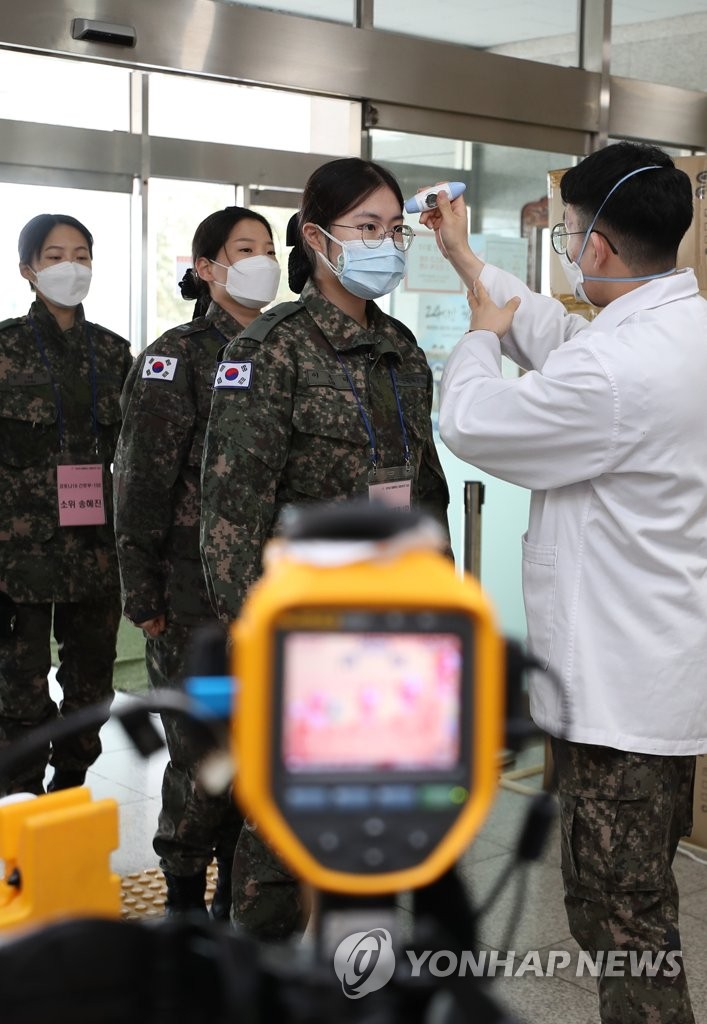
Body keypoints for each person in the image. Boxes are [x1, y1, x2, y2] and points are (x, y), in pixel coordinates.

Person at [420, 142, 707, 1024]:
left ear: (594, 248)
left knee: (624, 918)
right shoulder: (671, 329)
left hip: (619, 692)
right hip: (652, 670)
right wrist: (468, 263)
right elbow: (559, 335)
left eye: (570, 234)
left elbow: (474, 419)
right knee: (621, 902)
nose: (567, 250)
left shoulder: (619, 370)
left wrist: (473, 333)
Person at [200, 157, 450, 939]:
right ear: (315, 238)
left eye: (395, 229)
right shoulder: (271, 351)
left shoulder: (402, 351)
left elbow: (425, 490)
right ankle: (262, 970)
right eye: (366, 228)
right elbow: (229, 514)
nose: (386, 244)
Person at [113, 206, 281, 918]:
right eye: (245, 249)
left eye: (269, 247)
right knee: (200, 759)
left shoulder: (286, 349)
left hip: (273, 595)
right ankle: (184, 902)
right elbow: (142, 485)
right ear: (207, 266)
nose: (262, 260)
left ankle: (239, 904)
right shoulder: (176, 356)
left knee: (262, 754)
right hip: (190, 599)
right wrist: (141, 592)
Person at [0, 213, 133, 797]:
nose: (70, 267)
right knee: (16, 692)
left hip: (95, 553)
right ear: (28, 269)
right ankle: (22, 807)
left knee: (90, 690)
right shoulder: (2, 350)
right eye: (55, 257)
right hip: (15, 561)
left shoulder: (113, 353)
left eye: (81, 254)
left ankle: (71, 787)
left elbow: (137, 452)